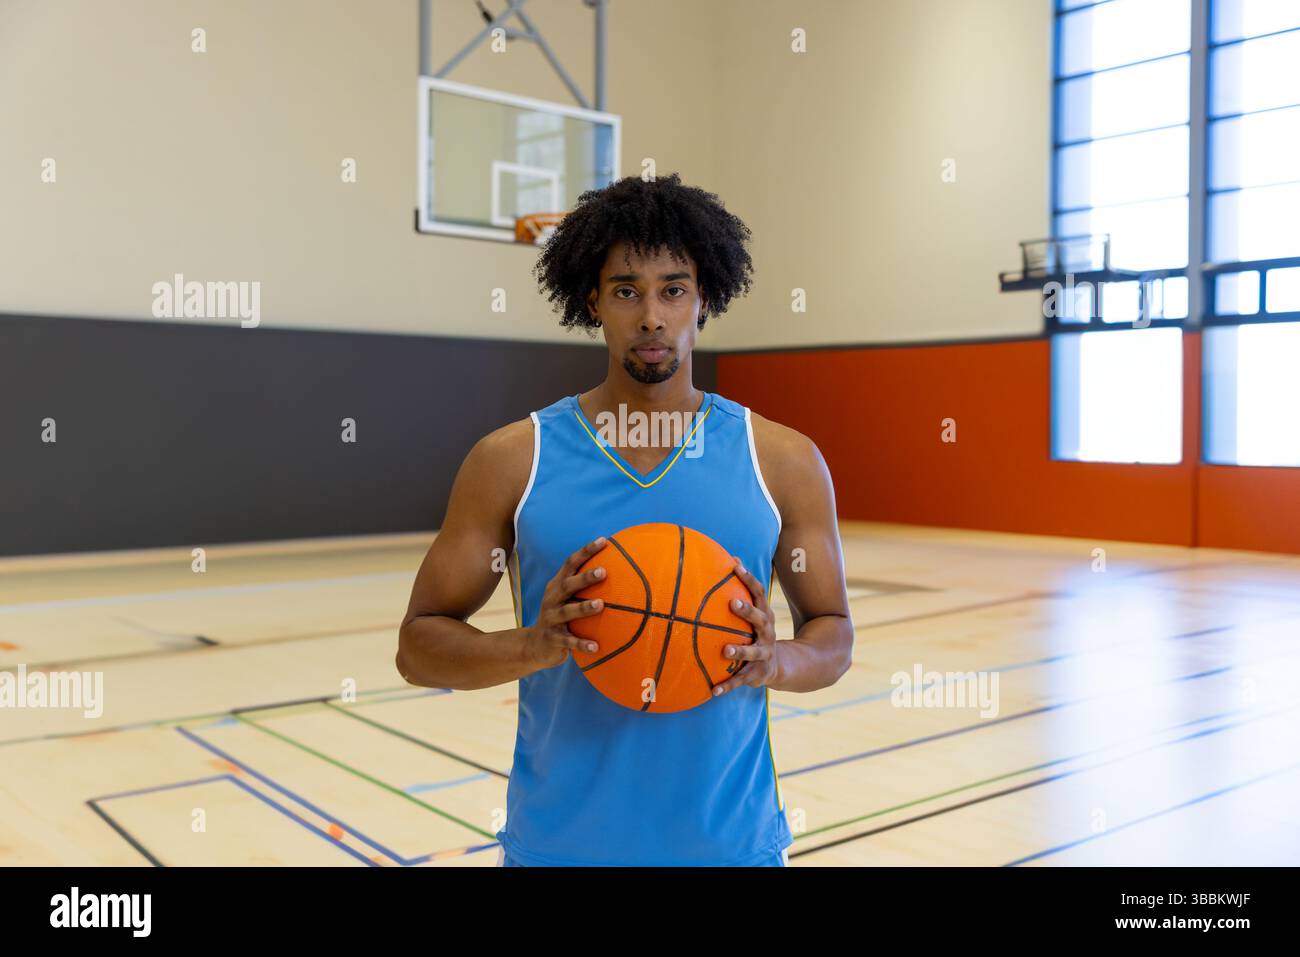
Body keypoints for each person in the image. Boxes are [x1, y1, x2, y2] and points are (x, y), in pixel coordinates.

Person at [396, 173, 853, 866]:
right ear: (593, 303)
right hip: (560, 848)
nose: (652, 316)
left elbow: (835, 633)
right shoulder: (514, 460)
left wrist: (778, 658)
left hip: (729, 848)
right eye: (626, 290)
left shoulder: (782, 460)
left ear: (704, 300)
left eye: (674, 289)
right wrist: (534, 646)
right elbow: (418, 646)